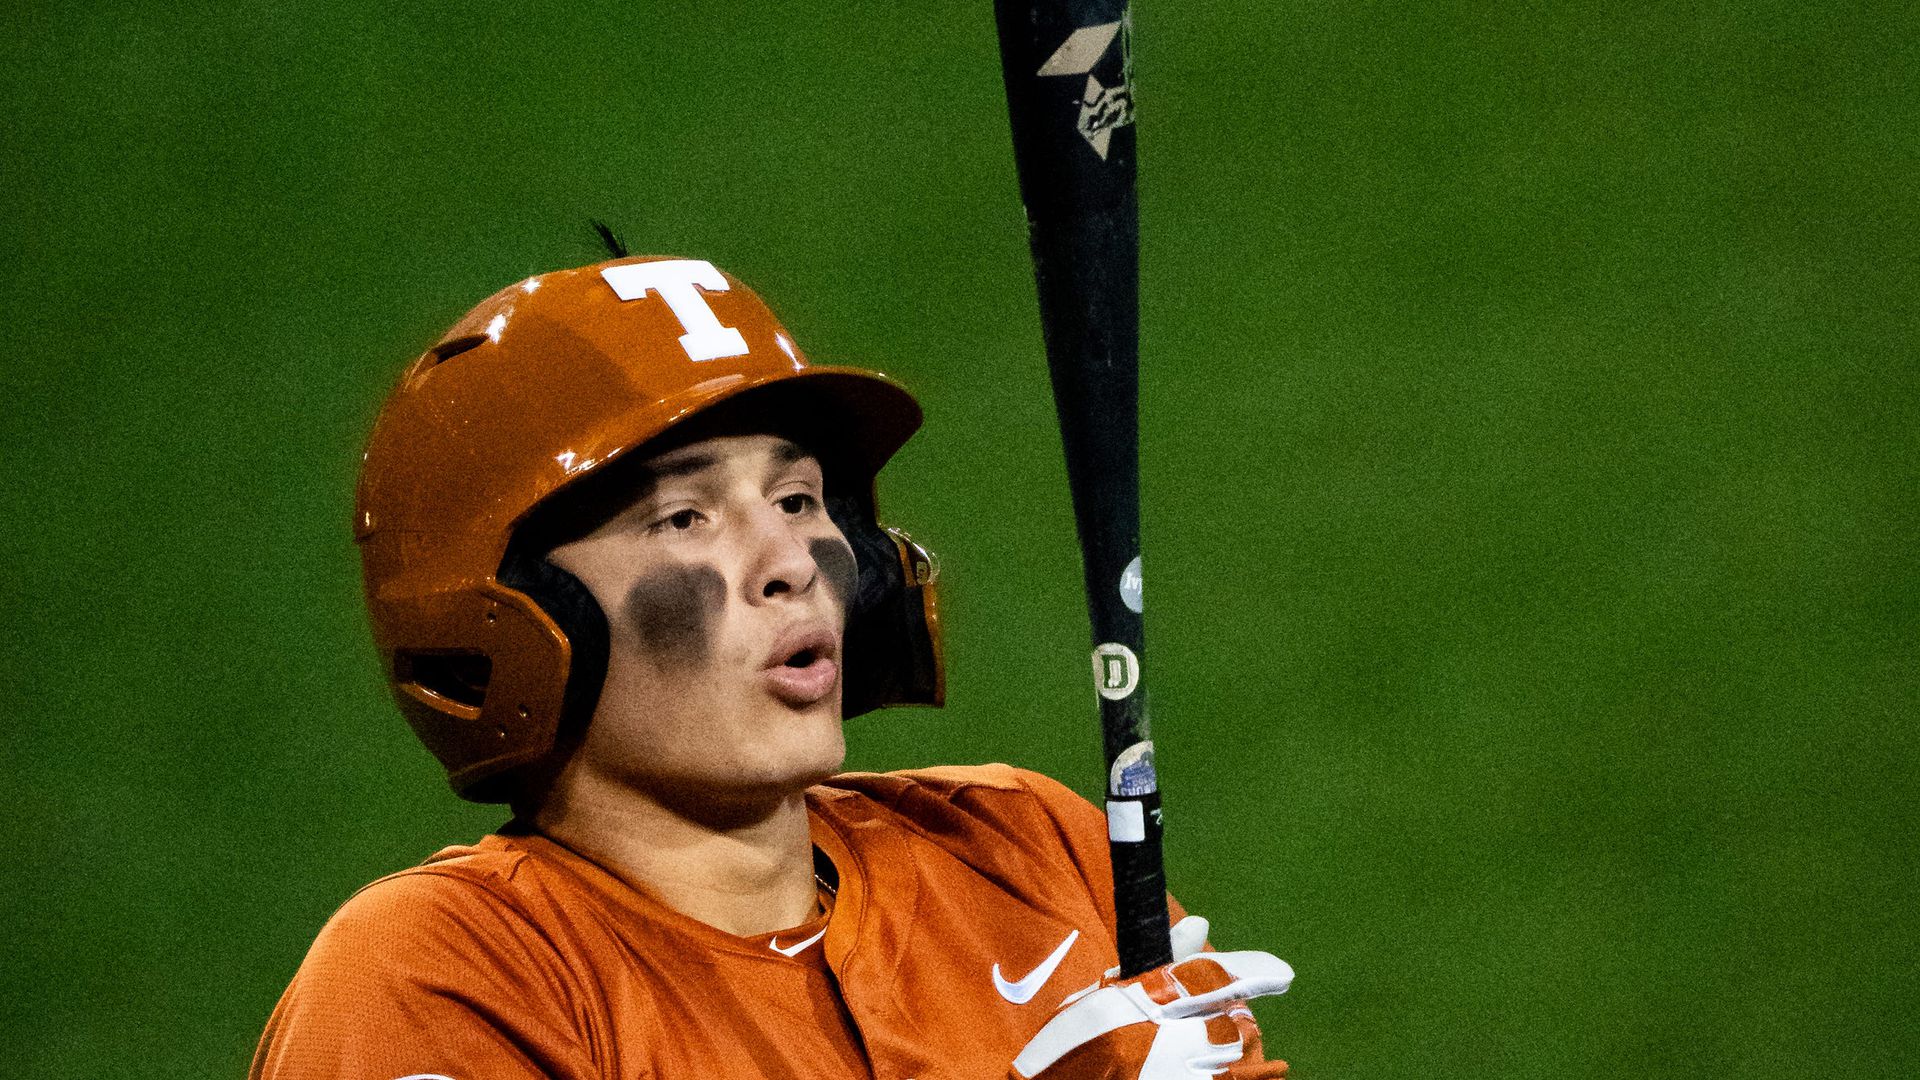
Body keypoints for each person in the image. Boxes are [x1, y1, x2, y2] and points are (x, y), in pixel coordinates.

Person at [250, 253, 1295, 1079]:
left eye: (799, 501)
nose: (791, 561)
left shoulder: (1027, 850)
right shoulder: (450, 977)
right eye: (686, 517)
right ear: (513, 615)